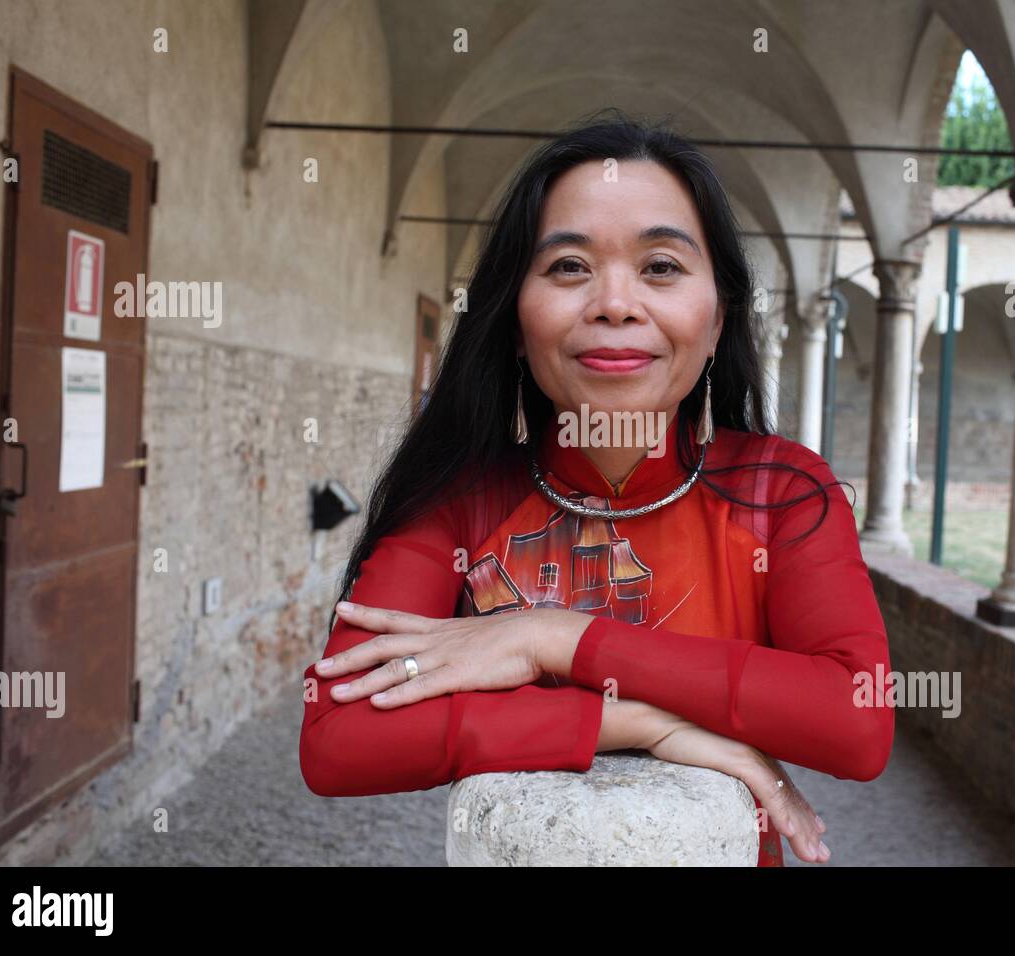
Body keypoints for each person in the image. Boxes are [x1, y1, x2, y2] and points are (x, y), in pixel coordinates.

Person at [298, 110, 894, 867]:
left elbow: (857, 721)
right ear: (516, 321)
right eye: (569, 267)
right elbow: (337, 740)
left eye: (662, 268)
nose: (615, 303)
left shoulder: (782, 494)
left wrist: (552, 637)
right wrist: (642, 720)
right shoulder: (458, 502)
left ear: (716, 321)